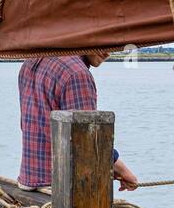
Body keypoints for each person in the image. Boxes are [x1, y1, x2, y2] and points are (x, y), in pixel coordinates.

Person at [17, 52, 138, 192]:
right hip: (60, 189)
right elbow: (86, 143)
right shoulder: (76, 73)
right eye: (101, 39)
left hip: (28, 181)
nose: (108, 51)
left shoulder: (30, 61)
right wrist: (121, 169)